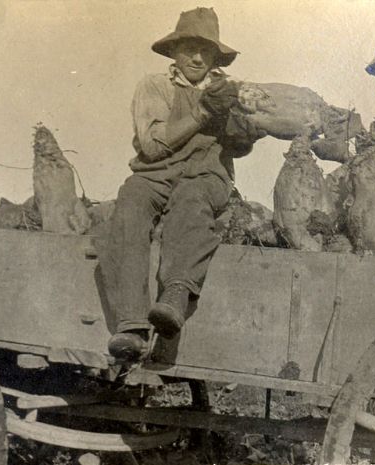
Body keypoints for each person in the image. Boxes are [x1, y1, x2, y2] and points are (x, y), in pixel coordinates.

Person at [100, 7, 259, 362]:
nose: (198, 57)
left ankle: (174, 295)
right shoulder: (155, 87)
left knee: (192, 199)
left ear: (217, 56)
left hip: (206, 176)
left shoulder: (227, 91)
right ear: (174, 52)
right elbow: (153, 145)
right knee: (131, 199)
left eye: (206, 51)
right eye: (189, 48)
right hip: (156, 173)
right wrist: (203, 112)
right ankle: (130, 323)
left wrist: (240, 121)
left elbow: (241, 146)